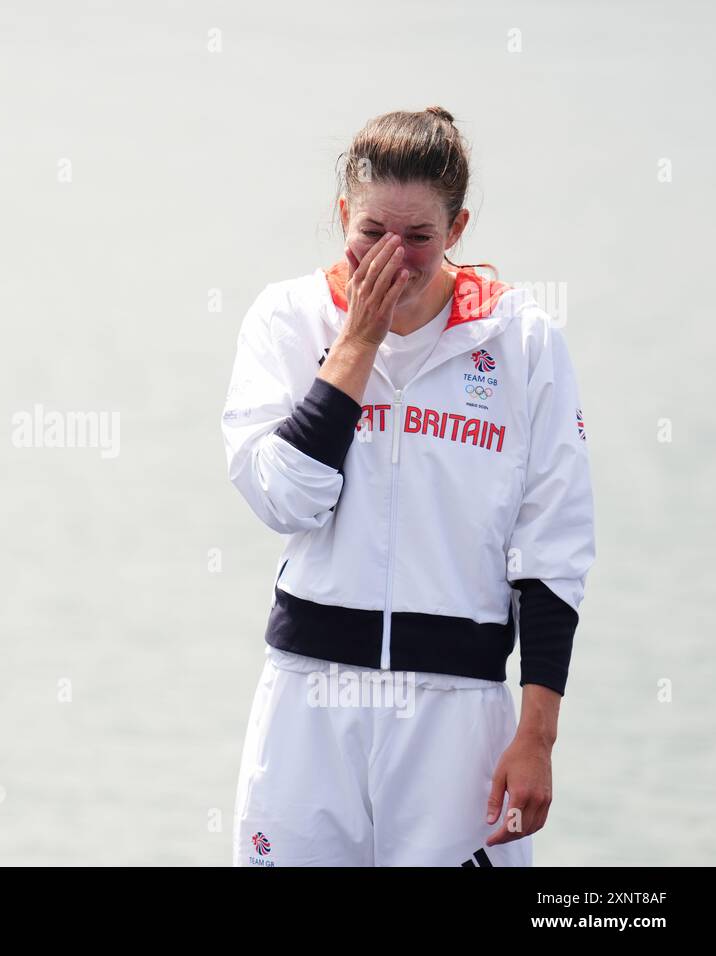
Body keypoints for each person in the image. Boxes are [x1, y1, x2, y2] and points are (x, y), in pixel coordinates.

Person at [221, 106, 595, 866]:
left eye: (419, 238)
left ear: (456, 230)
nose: (393, 259)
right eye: (370, 235)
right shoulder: (287, 318)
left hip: (455, 716)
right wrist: (357, 343)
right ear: (340, 217)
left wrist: (538, 734)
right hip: (310, 705)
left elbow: (553, 548)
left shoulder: (522, 341)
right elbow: (283, 499)